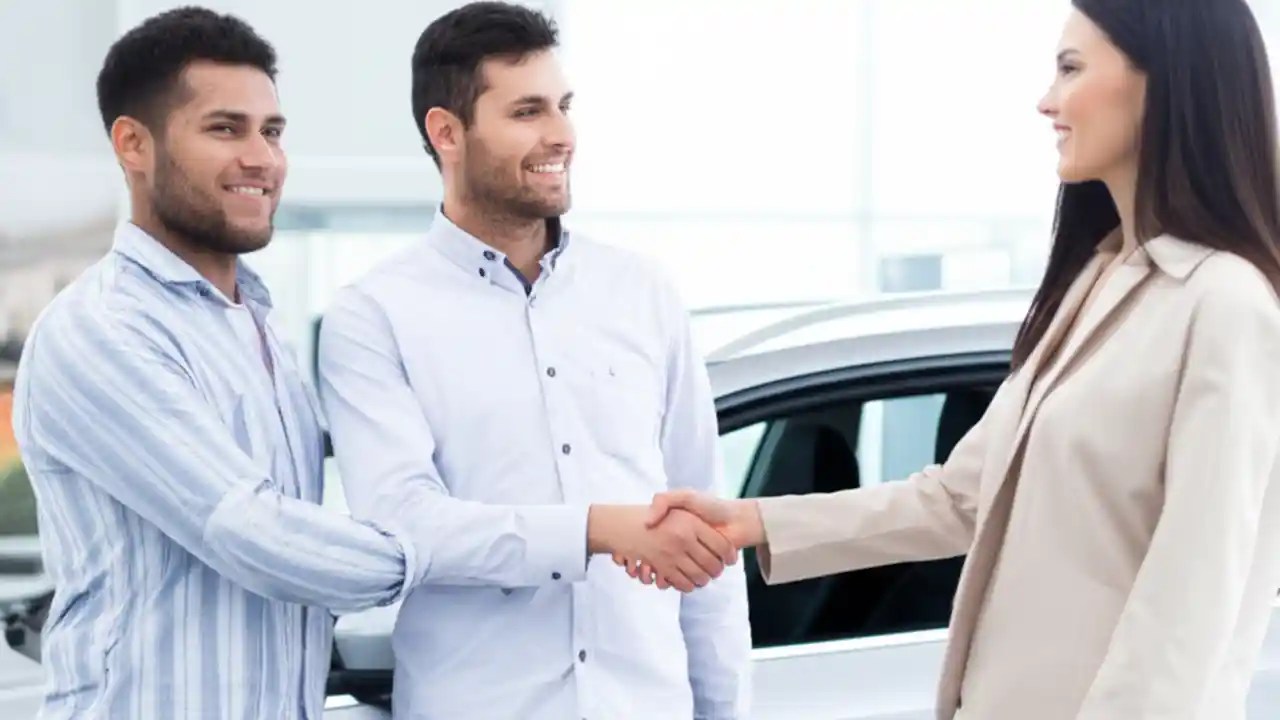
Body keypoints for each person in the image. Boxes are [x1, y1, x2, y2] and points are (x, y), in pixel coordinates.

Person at [621, 1, 1280, 718]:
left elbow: (1192, 597)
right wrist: (751, 521)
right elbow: (957, 498)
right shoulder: (1095, 280)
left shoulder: (1226, 306)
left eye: (1070, 68)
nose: (1046, 100)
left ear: (1165, 82)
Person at [315, 2, 751, 718]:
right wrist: (597, 529)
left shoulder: (643, 293)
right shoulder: (374, 317)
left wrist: (725, 710)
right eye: (527, 112)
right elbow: (406, 526)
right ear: (446, 132)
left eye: (564, 106)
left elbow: (708, 537)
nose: (561, 136)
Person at [11, 8, 437, 719]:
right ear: (132, 145)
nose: (262, 158)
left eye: (271, 131)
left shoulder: (258, 326)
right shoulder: (101, 329)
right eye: (224, 129)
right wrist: (457, 554)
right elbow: (252, 533)